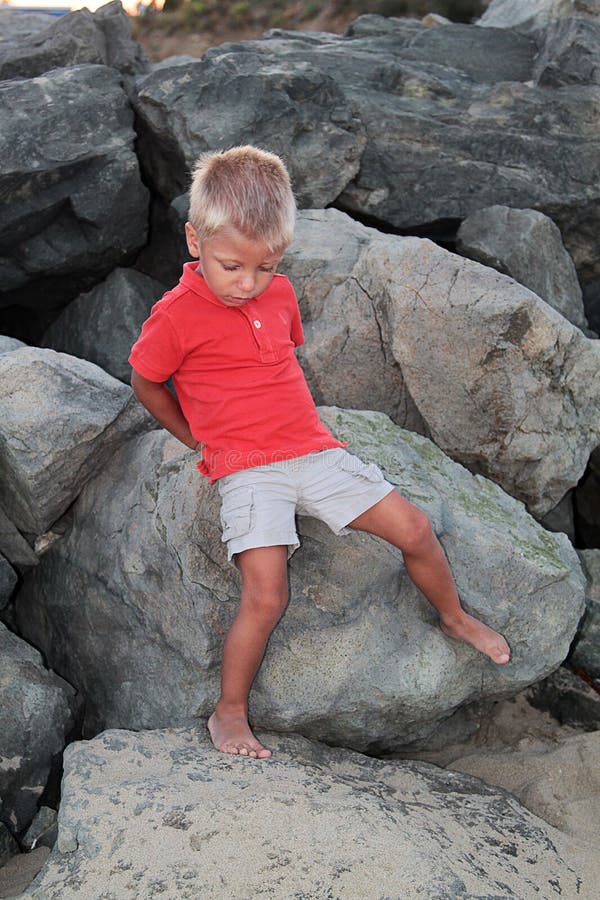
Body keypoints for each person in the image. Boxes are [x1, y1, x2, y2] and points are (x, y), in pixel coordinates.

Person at [129, 146, 511, 760]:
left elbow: (282, 360)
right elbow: (146, 381)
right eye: (231, 266)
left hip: (314, 451)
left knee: (415, 528)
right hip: (248, 469)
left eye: (265, 266)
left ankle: (453, 616)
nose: (248, 284)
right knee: (266, 594)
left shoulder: (278, 294)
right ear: (195, 241)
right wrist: (195, 437)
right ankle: (230, 710)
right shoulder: (174, 316)